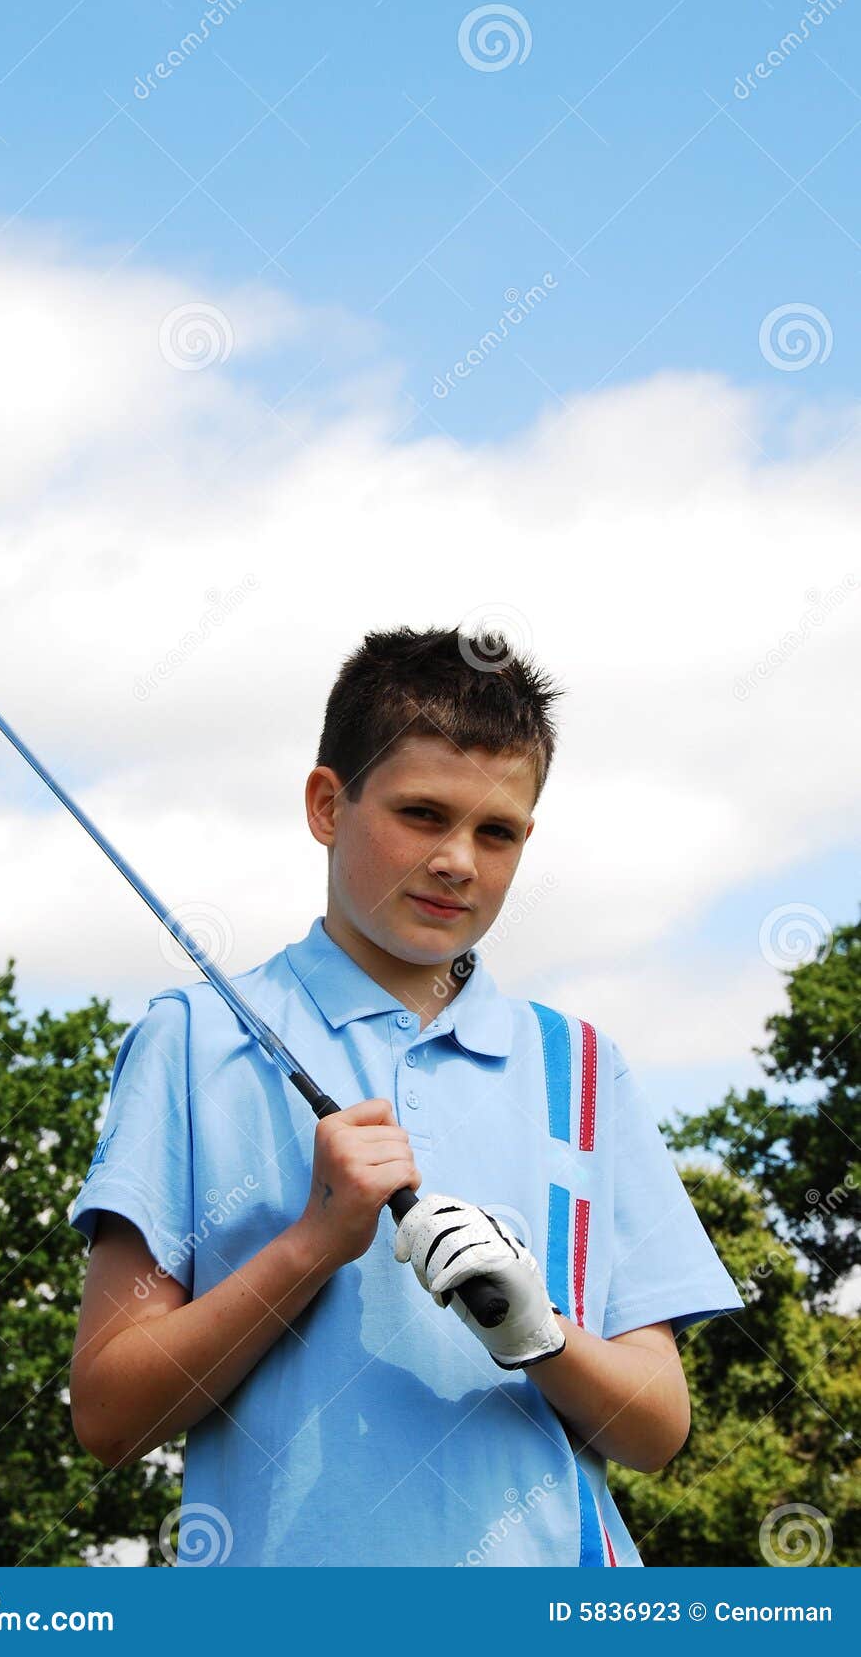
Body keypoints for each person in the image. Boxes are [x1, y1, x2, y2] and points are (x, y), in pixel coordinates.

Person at [67, 626, 745, 1567]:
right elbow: (108, 1413)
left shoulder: (581, 1068)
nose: (459, 860)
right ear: (325, 804)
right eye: (422, 814)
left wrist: (537, 1333)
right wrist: (312, 1244)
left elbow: (655, 1429)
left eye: (495, 831)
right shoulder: (191, 1041)